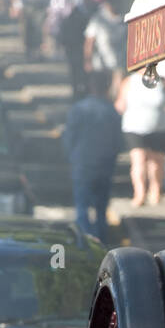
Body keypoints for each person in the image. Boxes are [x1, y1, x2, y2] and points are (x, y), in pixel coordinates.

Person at [63, 69, 122, 243]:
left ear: (90, 86)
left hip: (83, 162)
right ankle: (100, 240)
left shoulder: (79, 109)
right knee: (101, 208)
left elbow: (69, 137)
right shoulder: (112, 111)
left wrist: (71, 156)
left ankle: (85, 240)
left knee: (82, 205)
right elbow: (118, 141)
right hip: (105, 164)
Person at [115, 66, 165, 208]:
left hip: (160, 127)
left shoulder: (163, 82)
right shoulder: (129, 81)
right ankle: (140, 193)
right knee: (138, 160)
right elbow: (120, 104)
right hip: (135, 127)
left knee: (157, 161)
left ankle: (155, 191)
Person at [83, 0, 128, 91]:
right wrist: (87, 60)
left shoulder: (124, 18)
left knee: (117, 90)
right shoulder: (98, 19)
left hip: (119, 63)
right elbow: (89, 41)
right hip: (101, 64)